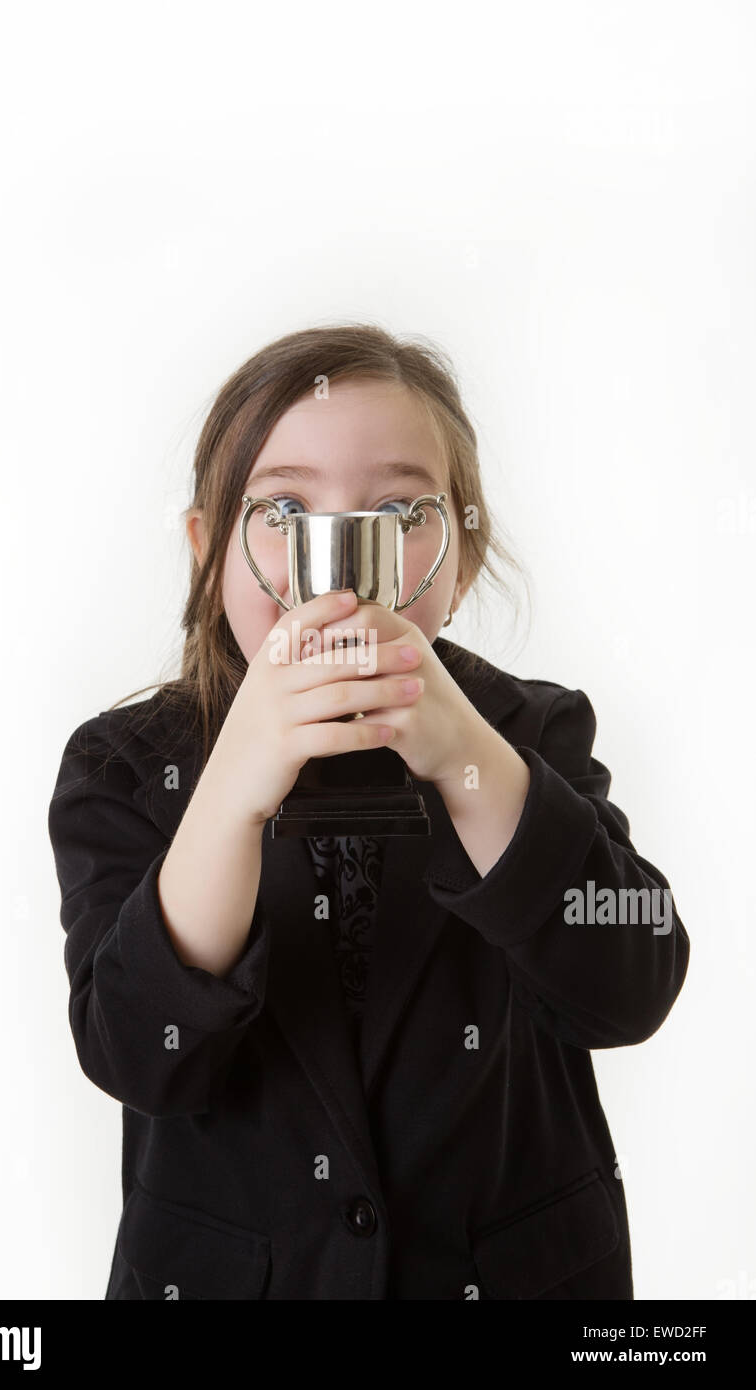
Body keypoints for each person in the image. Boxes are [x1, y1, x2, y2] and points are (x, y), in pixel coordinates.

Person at [47, 323, 689, 1300]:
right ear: (205, 549)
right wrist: (229, 793)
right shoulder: (128, 765)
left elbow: (630, 978)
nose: (336, 562)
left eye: (396, 507)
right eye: (282, 507)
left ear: (459, 556)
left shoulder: (528, 729)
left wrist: (464, 756)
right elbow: (140, 1051)